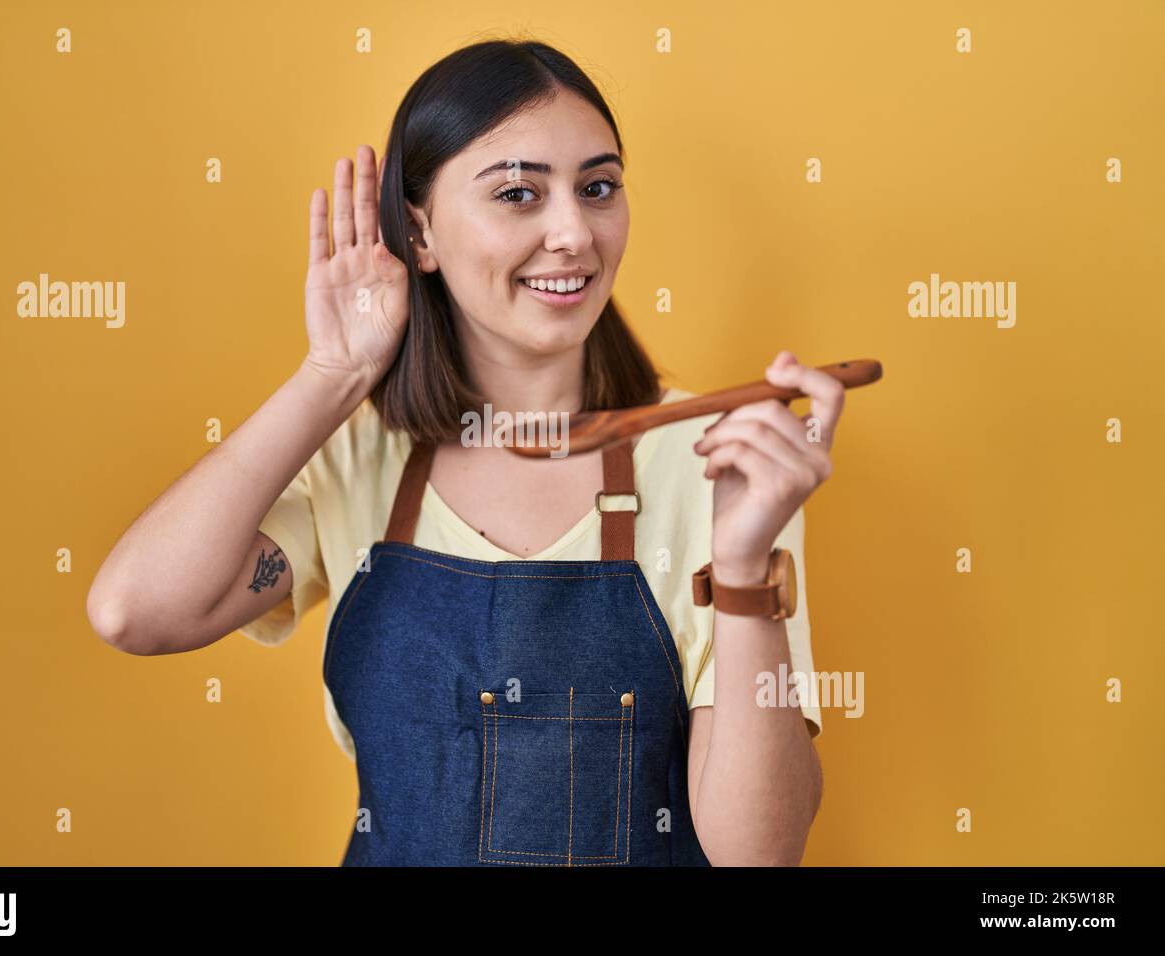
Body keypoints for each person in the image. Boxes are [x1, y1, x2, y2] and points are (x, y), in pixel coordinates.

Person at [86, 38, 845, 867]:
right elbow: (134, 612)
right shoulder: (355, 459)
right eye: (518, 193)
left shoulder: (717, 465)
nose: (573, 235)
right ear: (419, 233)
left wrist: (742, 570)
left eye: (598, 188)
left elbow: (757, 856)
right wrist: (332, 376)